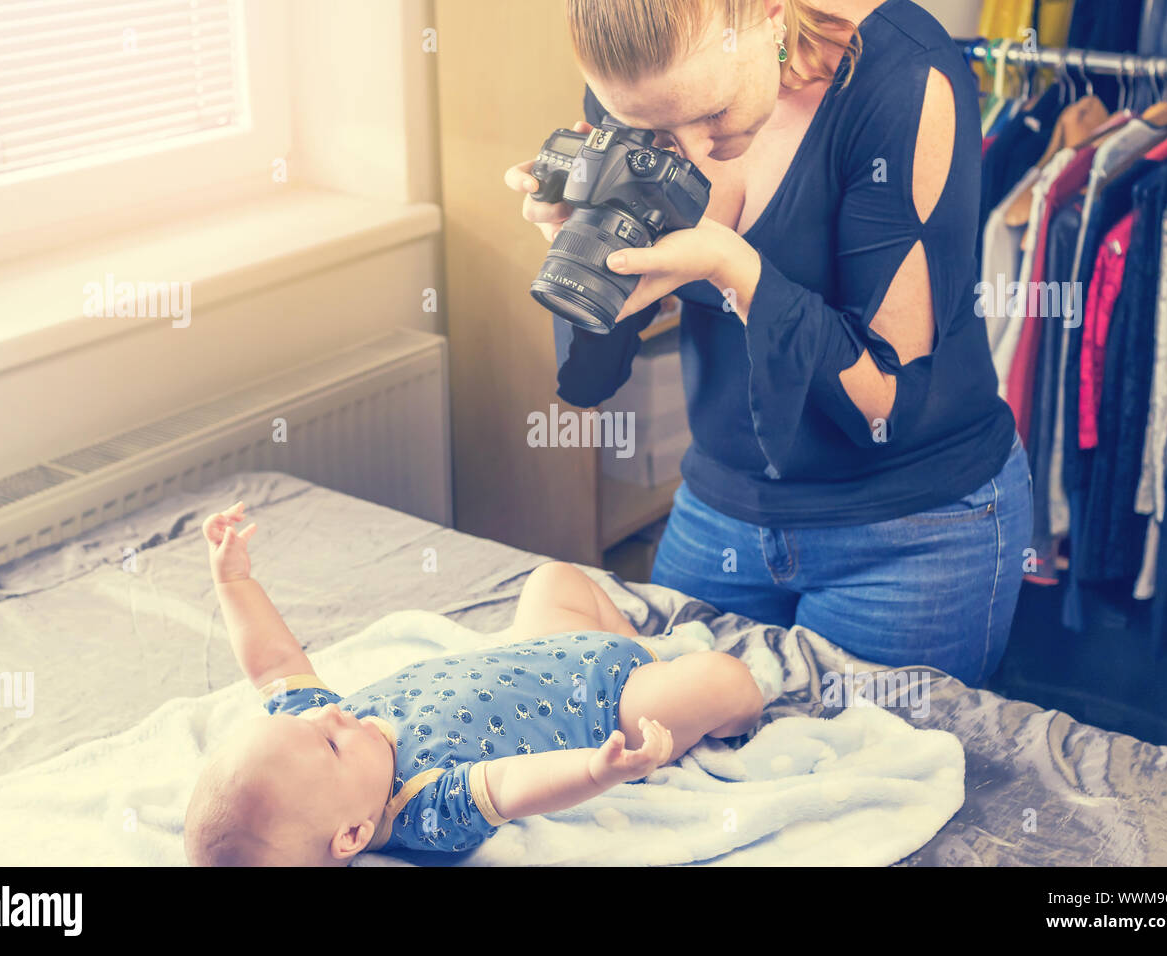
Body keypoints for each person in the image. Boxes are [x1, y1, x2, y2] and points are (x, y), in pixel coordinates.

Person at [504, 0, 1032, 686]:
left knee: (858, 785)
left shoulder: (905, 78)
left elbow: (885, 409)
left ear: (769, 16)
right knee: (670, 766)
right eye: (650, 129)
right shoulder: (643, 81)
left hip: (908, 530)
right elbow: (590, 379)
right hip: (721, 508)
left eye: (711, 115)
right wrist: (579, 253)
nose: (689, 150)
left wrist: (736, 271)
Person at [184, 502, 764, 865]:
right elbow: (512, 782)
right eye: (329, 743)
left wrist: (233, 582)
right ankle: (696, 695)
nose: (329, 714)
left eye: (307, 718)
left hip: (536, 648)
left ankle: (644, 649)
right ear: (354, 834)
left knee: (553, 578)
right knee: (722, 680)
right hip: (607, 708)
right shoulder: (424, 806)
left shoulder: (315, 729)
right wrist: (599, 769)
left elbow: (273, 665)